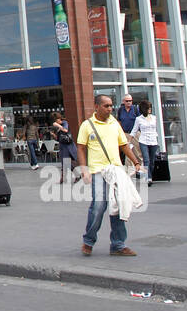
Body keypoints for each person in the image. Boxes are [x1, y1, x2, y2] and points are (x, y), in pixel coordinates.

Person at [78, 94, 143, 256]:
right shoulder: (87, 125)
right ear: (97, 106)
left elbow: (124, 145)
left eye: (111, 106)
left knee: (119, 205)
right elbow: (80, 147)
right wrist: (84, 169)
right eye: (106, 106)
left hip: (116, 170)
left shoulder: (115, 124)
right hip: (98, 171)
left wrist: (135, 161)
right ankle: (88, 241)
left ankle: (118, 245)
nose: (110, 109)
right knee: (99, 206)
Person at [132, 100, 161, 186]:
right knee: (146, 159)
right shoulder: (139, 119)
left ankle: (150, 174)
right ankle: (148, 178)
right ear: (144, 109)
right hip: (143, 140)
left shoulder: (154, 118)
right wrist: (129, 140)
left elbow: (156, 128)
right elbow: (134, 130)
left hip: (153, 140)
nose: (150, 109)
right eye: (148, 108)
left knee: (152, 161)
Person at [53, 111, 78, 184]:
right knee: (64, 162)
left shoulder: (64, 123)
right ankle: (65, 177)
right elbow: (59, 138)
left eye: (56, 120)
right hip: (62, 146)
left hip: (67, 146)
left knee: (66, 162)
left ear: (58, 119)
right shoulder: (59, 126)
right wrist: (54, 135)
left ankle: (75, 175)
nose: (56, 122)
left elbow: (65, 130)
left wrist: (58, 126)